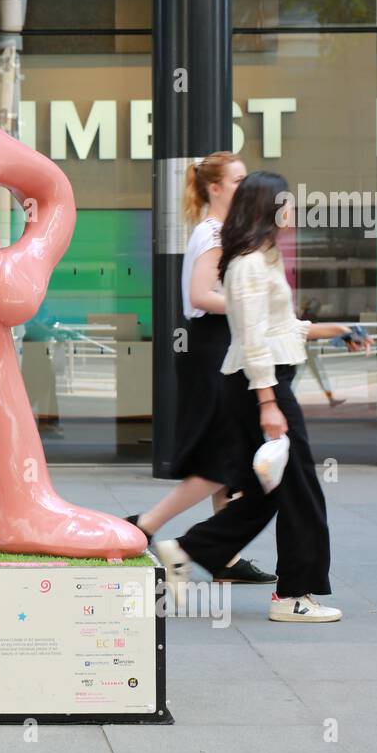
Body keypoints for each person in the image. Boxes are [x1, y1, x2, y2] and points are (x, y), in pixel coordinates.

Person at [153, 172, 371, 623]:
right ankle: (294, 596)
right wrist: (269, 404)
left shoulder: (265, 258)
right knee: (303, 493)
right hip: (259, 387)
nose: (294, 208)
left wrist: (337, 331)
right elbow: (252, 339)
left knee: (265, 493)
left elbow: (279, 327)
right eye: (287, 201)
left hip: (262, 384)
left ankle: (186, 548)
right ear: (269, 207)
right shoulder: (249, 263)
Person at [125, 151, 275, 585]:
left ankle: (221, 554)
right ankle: (146, 525)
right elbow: (198, 296)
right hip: (213, 347)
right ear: (215, 187)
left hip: (218, 346)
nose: (246, 187)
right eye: (238, 180)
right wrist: (251, 305)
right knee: (223, 459)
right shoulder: (213, 234)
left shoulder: (221, 231)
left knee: (223, 454)